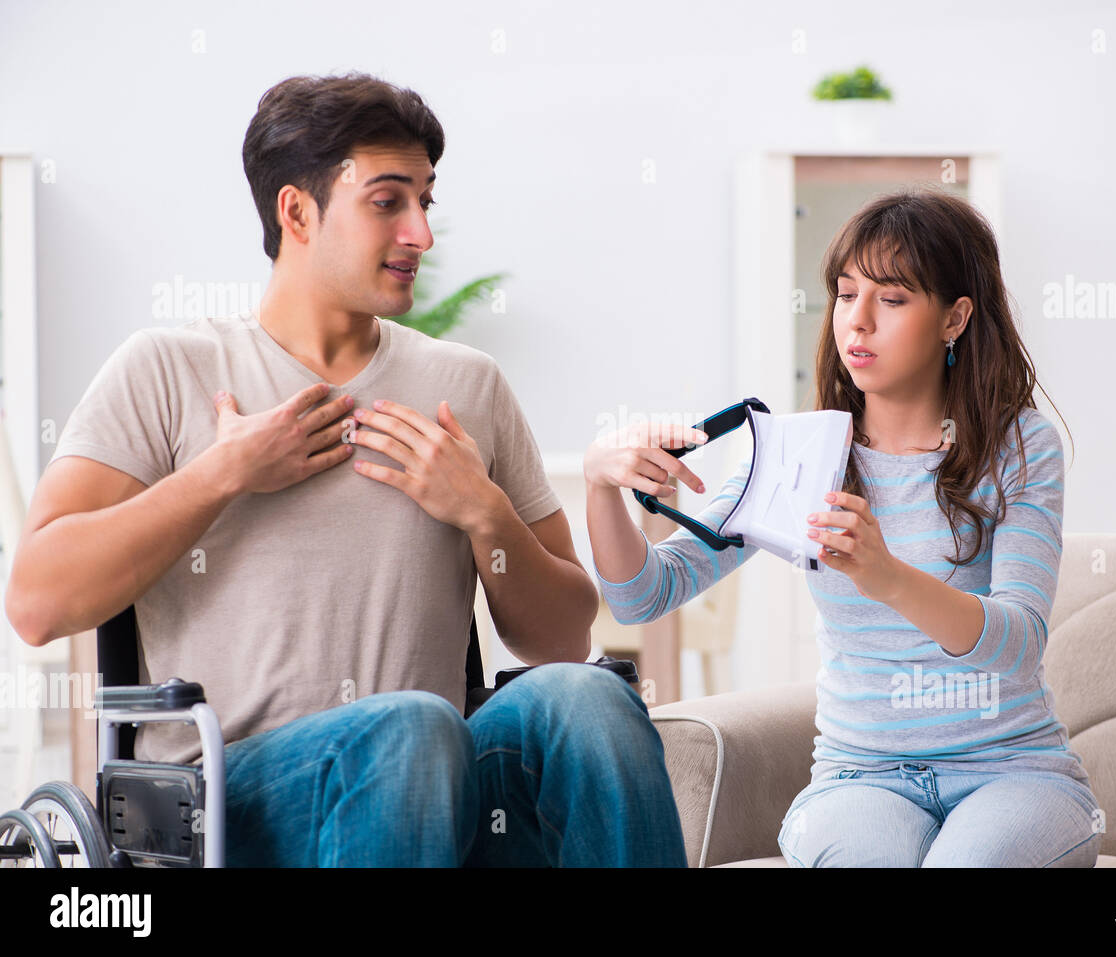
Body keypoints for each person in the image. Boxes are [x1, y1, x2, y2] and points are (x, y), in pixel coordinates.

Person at [6, 71, 686, 867]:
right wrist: (222, 474)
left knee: (590, 699)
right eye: (388, 201)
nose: (422, 234)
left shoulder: (466, 386)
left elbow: (563, 638)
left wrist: (484, 513)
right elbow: (36, 603)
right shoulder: (169, 370)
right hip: (231, 796)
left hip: (441, 770)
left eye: (426, 201)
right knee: (411, 729)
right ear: (297, 211)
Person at [584, 186, 1099, 867]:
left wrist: (887, 576)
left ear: (956, 317)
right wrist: (601, 482)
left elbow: (1017, 641)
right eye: (845, 293)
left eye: (891, 298)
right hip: (861, 778)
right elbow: (643, 595)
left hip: (1012, 771)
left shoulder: (1020, 445)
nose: (856, 321)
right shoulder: (801, 456)